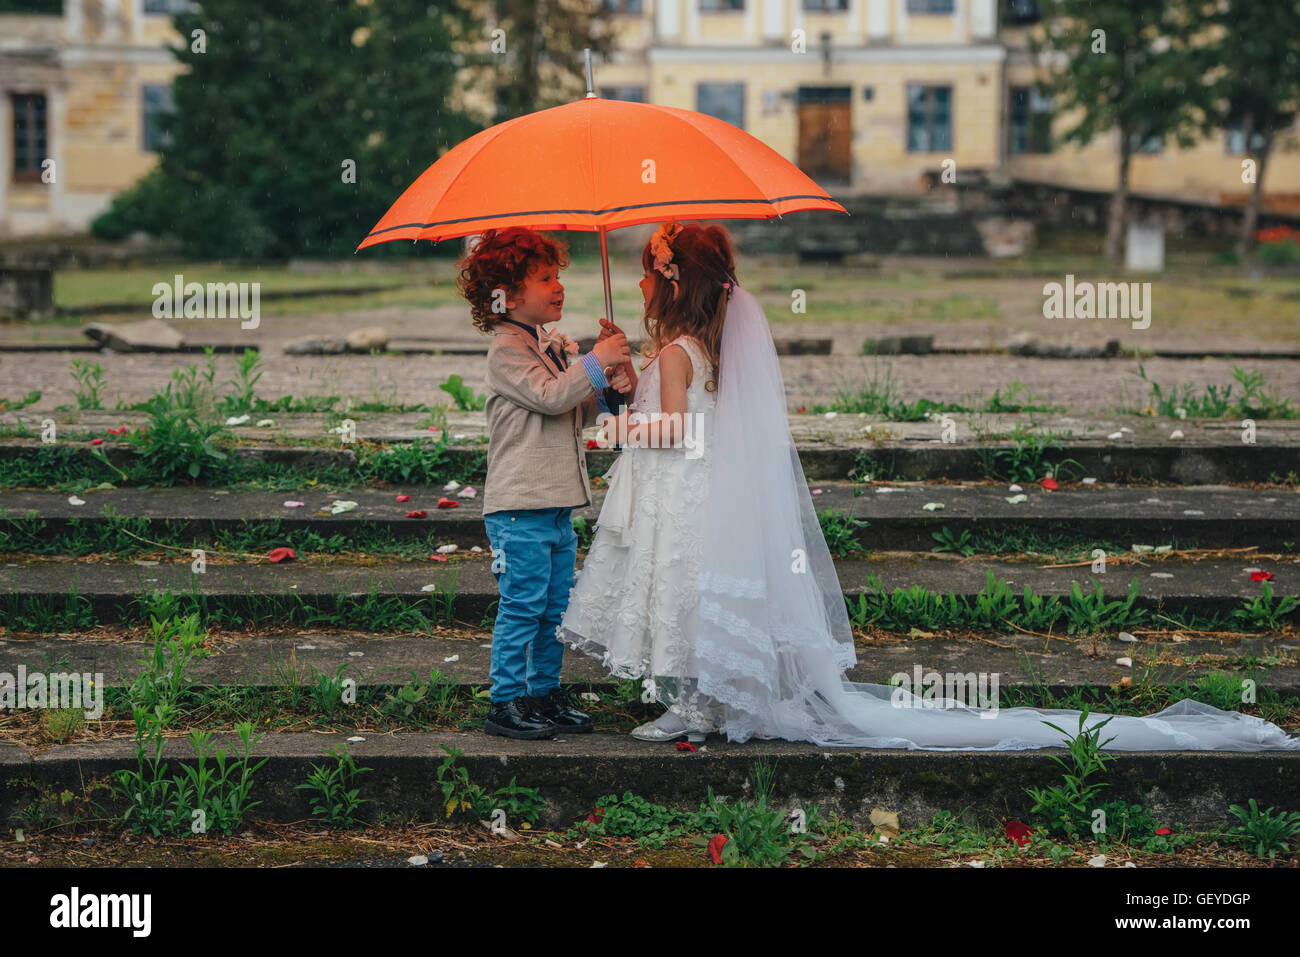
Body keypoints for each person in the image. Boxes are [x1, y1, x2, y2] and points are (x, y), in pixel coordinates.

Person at [559, 220, 1300, 753]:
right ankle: (703, 703)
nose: (640, 282)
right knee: (692, 593)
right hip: (688, 489)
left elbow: (678, 427)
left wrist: (612, 432)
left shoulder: (681, 352)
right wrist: (623, 375)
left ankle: (697, 705)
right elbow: (666, 402)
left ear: (672, 283)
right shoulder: (689, 346)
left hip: (682, 486)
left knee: (684, 592)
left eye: (649, 272)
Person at [457, 226, 632, 739]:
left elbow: (570, 410)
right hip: (519, 507)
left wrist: (606, 384)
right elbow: (552, 397)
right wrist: (594, 364)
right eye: (545, 279)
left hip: (554, 507)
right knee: (523, 605)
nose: (559, 287)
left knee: (557, 607)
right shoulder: (507, 351)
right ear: (507, 294)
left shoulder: (543, 346)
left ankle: (543, 691)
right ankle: (505, 700)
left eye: (558, 277)